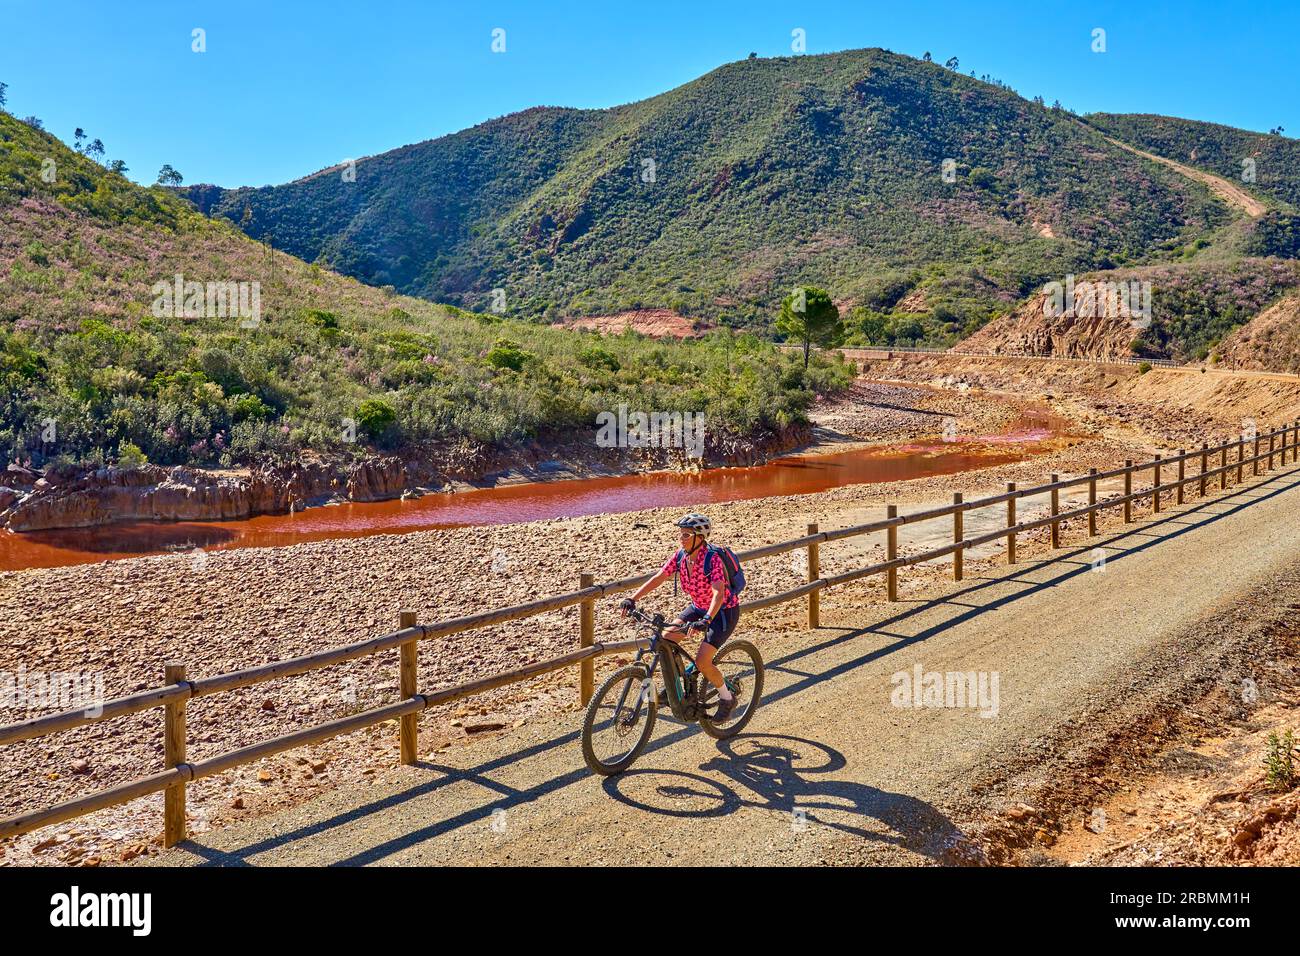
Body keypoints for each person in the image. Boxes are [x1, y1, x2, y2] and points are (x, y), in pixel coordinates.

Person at [620, 513, 741, 720]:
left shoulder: (711, 559)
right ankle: (677, 686)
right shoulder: (681, 556)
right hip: (697, 607)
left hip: (722, 612)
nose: (681, 538)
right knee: (666, 638)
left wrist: (706, 619)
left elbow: (718, 593)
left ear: (699, 538)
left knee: (703, 661)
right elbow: (659, 577)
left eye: (686, 535)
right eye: (681, 534)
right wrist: (632, 598)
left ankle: (727, 698)